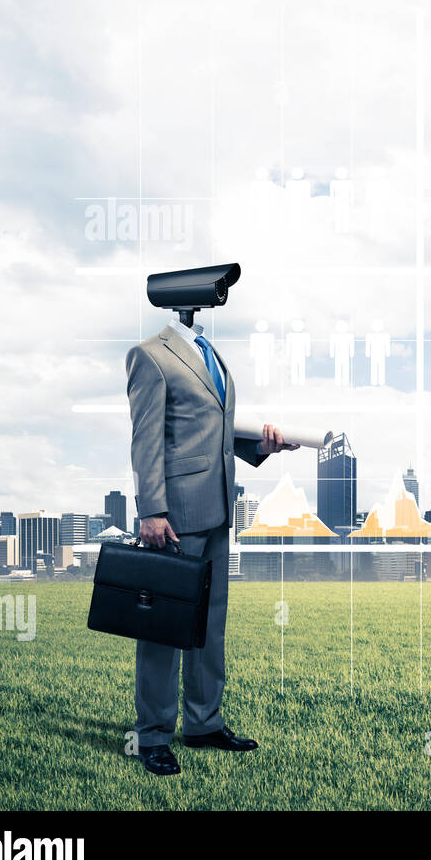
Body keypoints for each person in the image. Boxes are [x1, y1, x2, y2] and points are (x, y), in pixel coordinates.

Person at [125, 316, 298, 776]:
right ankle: (154, 737)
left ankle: (203, 723)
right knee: (163, 630)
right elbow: (145, 438)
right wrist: (151, 510)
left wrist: (261, 448)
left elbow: (213, 430)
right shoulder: (150, 355)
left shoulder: (210, 354)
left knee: (208, 626)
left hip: (217, 508)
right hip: (173, 514)